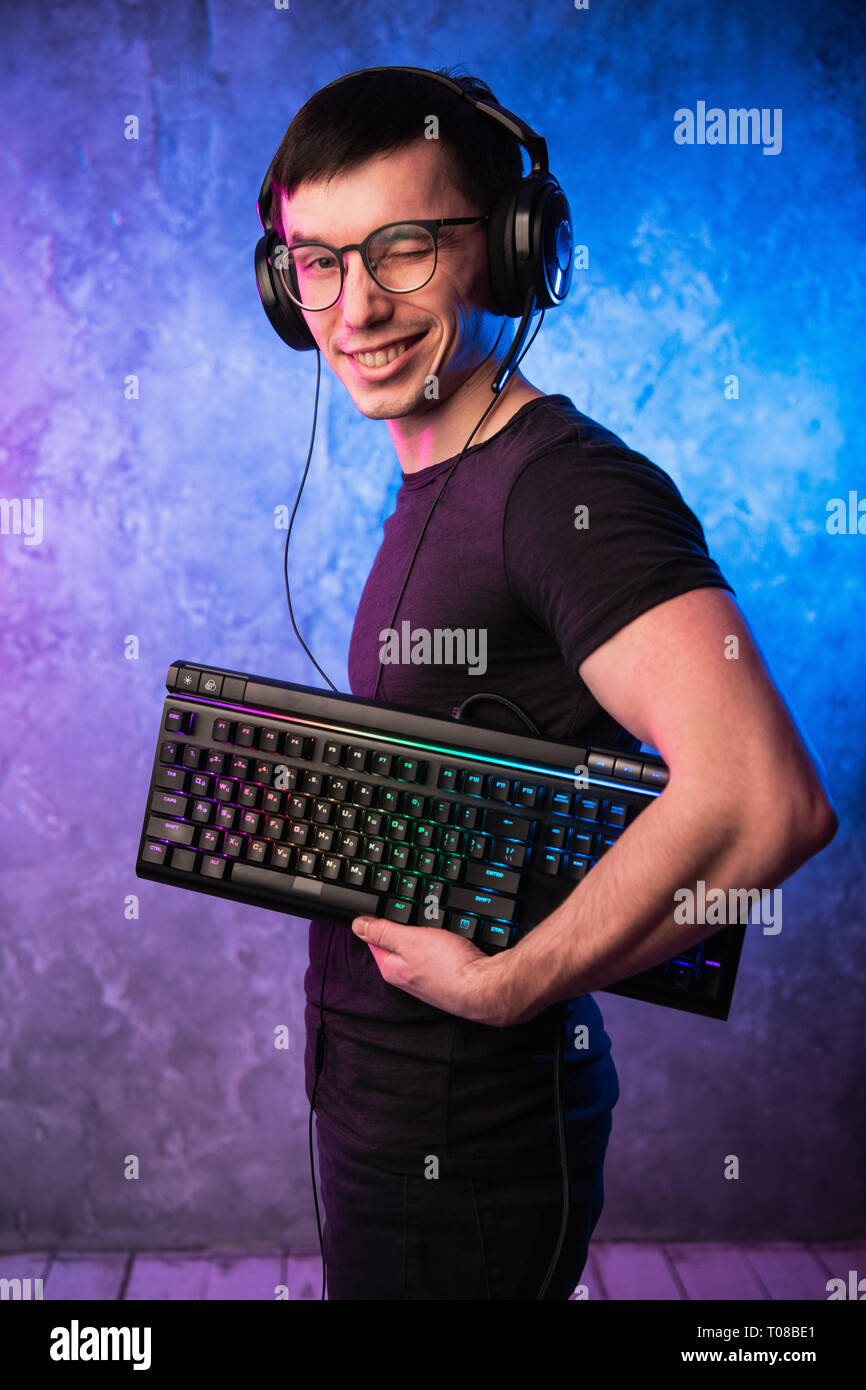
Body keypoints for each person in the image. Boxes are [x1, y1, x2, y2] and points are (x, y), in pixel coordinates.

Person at [263, 66, 838, 1299]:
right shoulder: (446, 475)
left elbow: (763, 798)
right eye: (317, 261)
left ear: (511, 255)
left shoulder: (560, 495)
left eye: (403, 249)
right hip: (392, 1111)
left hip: (466, 1138)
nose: (354, 306)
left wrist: (508, 980)